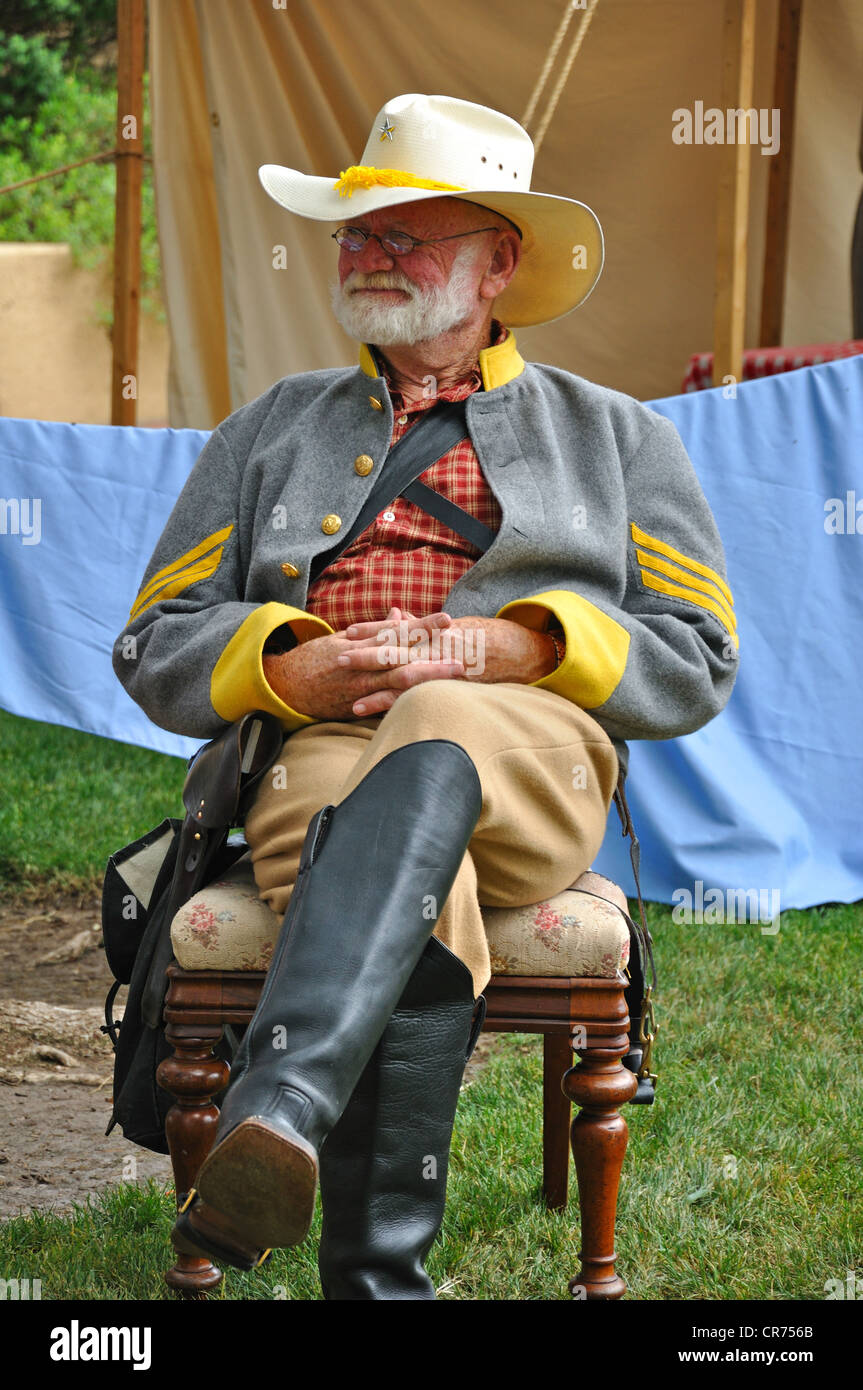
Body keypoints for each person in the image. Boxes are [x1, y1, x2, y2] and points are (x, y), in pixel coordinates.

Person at [113, 93, 739, 1299]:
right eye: (360, 234)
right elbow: (152, 642)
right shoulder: (268, 431)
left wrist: (520, 649)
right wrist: (281, 665)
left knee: (441, 713)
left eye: (413, 235)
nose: (373, 256)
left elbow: (698, 656)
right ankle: (374, 1273)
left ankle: (283, 1092)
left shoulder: (616, 439)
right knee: (364, 821)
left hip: (530, 771)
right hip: (321, 760)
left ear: (499, 263)